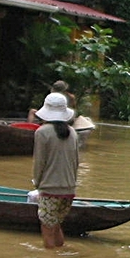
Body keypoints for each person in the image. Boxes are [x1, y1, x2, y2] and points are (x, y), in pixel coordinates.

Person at [31, 92, 79, 248]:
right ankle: (60, 255)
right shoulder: (73, 133)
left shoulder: (42, 132)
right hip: (69, 190)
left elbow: (39, 162)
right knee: (56, 224)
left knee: (47, 227)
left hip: (50, 189)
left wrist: (37, 184)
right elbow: (76, 162)